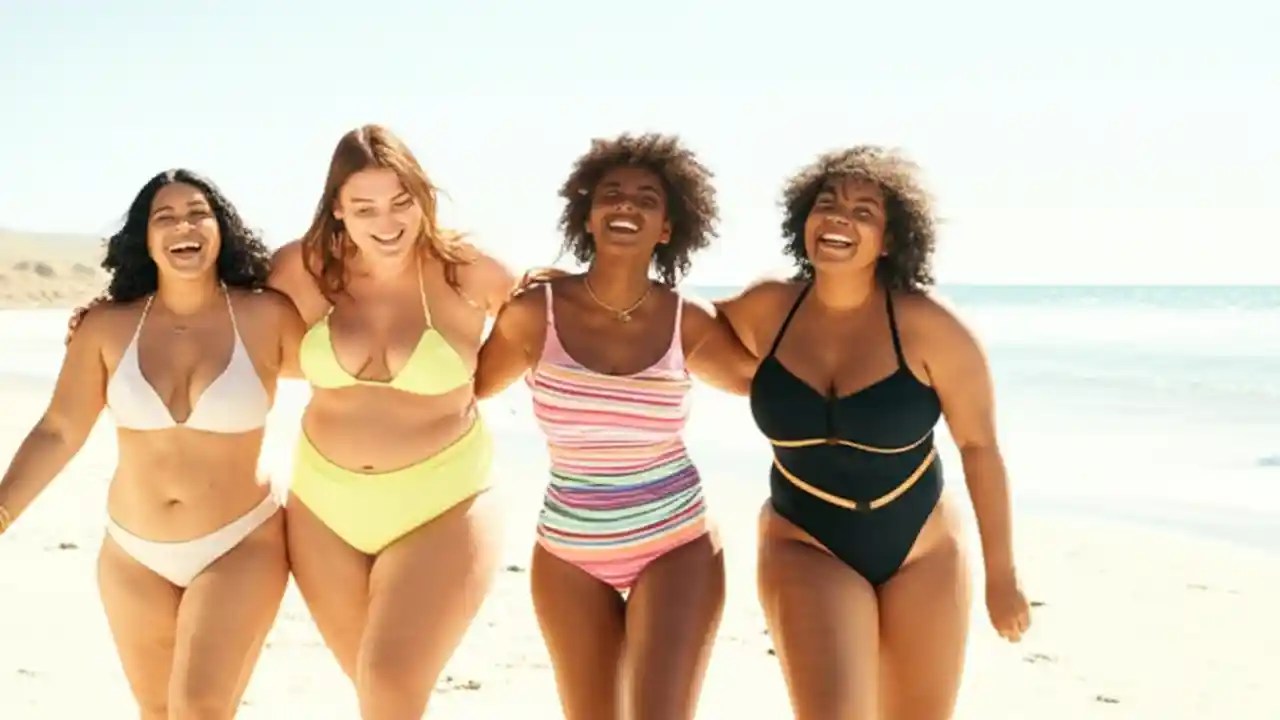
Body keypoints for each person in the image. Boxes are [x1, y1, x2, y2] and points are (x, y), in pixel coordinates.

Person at [716, 145, 1032, 719]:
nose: (838, 217)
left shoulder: (932, 328)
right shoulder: (768, 308)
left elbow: (979, 448)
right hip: (804, 539)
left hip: (922, 547)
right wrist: (573, 294)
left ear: (889, 241)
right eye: (827, 204)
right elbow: (675, 335)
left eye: (863, 211)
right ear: (803, 221)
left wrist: (1002, 575)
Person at [0, 168, 302, 718]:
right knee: (157, 711)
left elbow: (349, 379)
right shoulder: (106, 327)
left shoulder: (267, 316)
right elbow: (60, 430)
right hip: (133, 554)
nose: (182, 225)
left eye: (197, 213)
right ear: (145, 237)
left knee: (199, 707)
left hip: (241, 543)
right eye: (165, 217)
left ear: (221, 229)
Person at [475, 133, 755, 720]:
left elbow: (771, 388)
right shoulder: (534, 313)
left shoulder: (690, 320)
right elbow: (461, 391)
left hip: (675, 542)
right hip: (569, 551)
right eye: (612, 194)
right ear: (588, 215)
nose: (626, 205)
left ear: (667, 228)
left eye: (646, 199)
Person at [267, 124, 515, 718]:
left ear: (422, 196)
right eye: (365, 207)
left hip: (442, 502)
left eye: (401, 202)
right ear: (337, 209)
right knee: (378, 696)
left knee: (389, 687)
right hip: (323, 509)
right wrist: (107, 314)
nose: (387, 222)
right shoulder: (300, 269)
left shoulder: (469, 271)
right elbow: (214, 319)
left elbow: (542, 335)